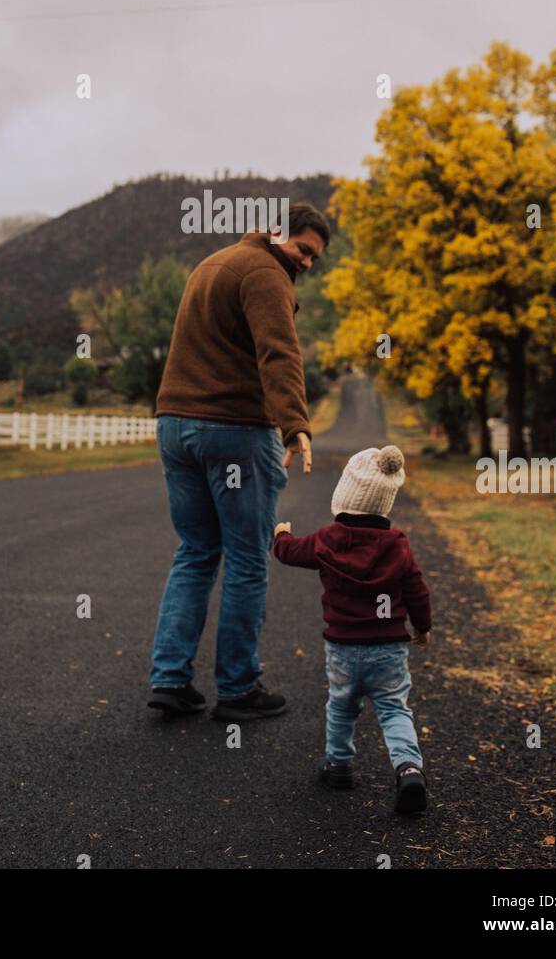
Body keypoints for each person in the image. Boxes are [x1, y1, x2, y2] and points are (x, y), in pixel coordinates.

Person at [148, 202, 331, 721]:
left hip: (174, 425)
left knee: (196, 551)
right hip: (232, 429)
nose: (307, 264)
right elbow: (279, 352)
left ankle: (170, 679)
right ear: (277, 234)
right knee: (248, 558)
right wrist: (295, 424)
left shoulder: (212, 263)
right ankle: (237, 688)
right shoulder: (266, 273)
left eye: (314, 257)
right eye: (303, 250)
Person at [273, 444, 432, 814]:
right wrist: (422, 627)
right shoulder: (397, 545)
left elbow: (290, 552)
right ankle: (408, 769)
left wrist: (281, 533)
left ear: (345, 494)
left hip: (343, 648)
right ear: (385, 503)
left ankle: (339, 765)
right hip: (389, 648)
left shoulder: (327, 539)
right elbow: (417, 590)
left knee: (342, 707)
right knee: (394, 709)